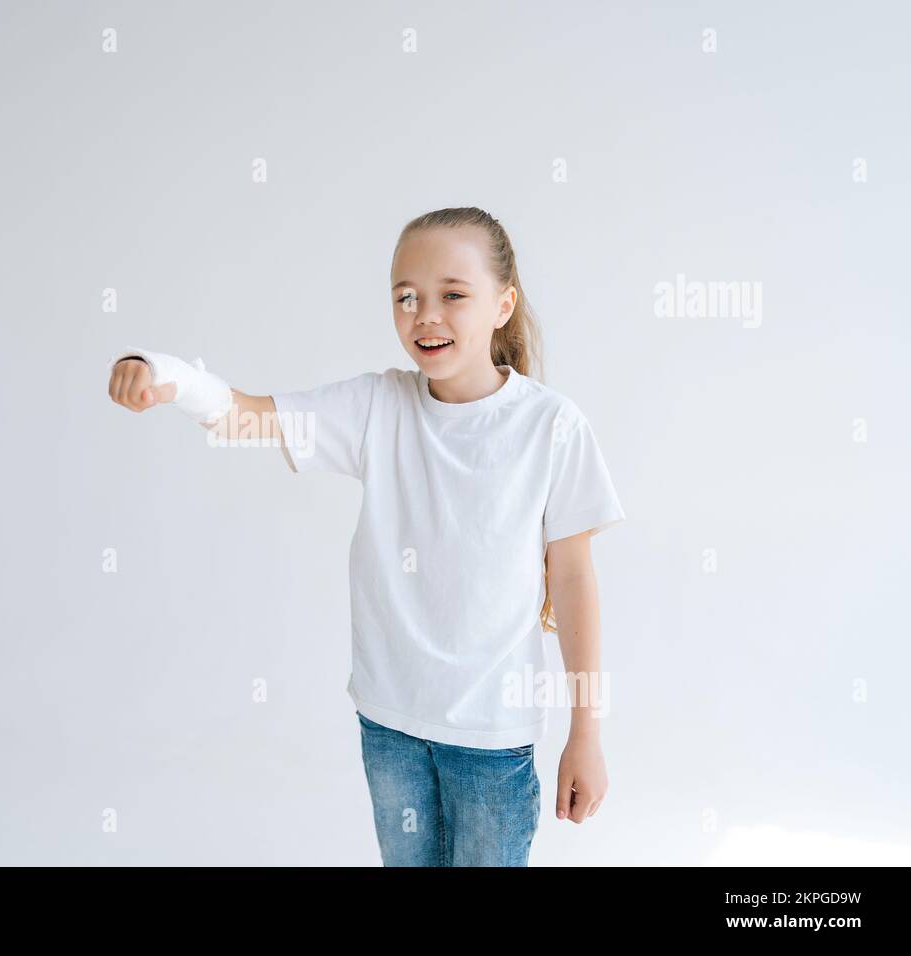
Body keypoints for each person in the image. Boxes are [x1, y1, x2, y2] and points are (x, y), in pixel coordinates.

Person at [106, 206, 625, 866]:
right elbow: (247, 418)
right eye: (406, 298)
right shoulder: (378, 406)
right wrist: (164, 371)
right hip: (390, 727)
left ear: (503, 304)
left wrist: (588, 731)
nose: (425, 315)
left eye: (452, 295)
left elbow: (575, 582)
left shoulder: (551, 426)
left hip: (493, 738)